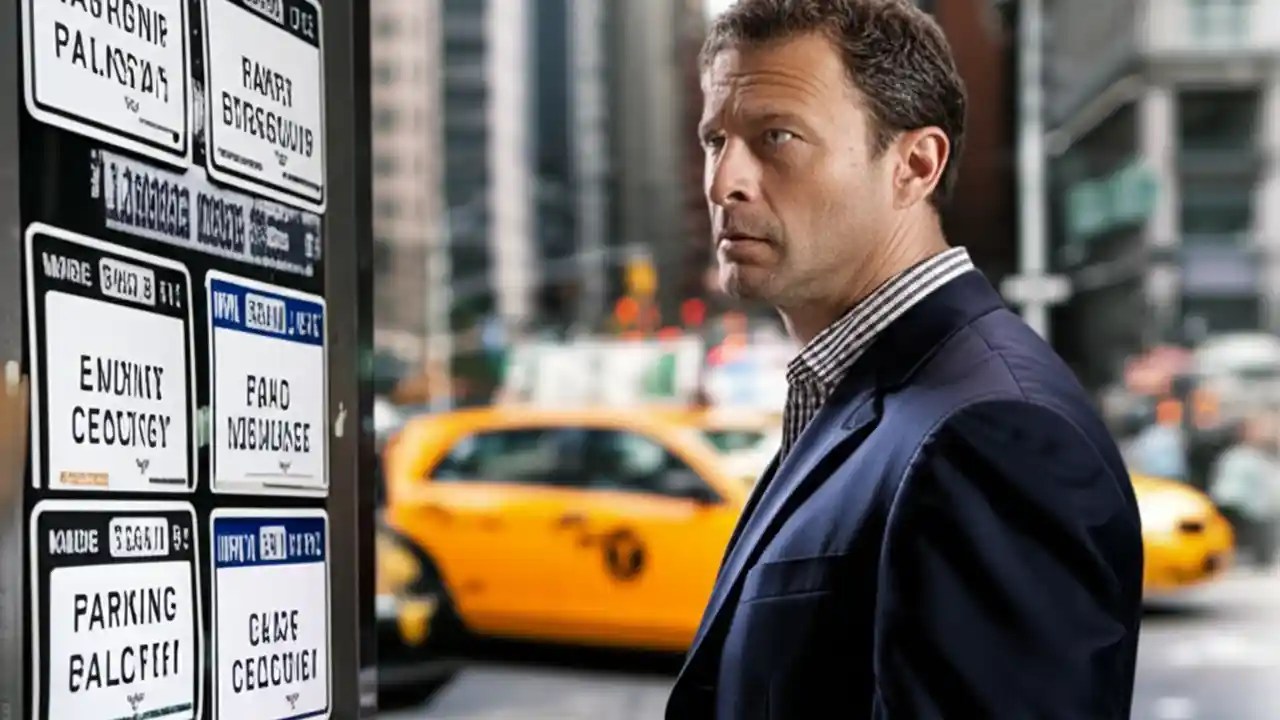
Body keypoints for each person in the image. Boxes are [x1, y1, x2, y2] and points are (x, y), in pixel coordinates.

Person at [667, 1, 1144, 718]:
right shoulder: (877, 394)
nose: (722, 182)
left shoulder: (992, 434)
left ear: (914, 166)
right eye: (715, 140)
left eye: (776, 136)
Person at [1209, 412, 1280, 567]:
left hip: (1249, 511)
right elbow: (1232, 494)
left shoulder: (1259, 456)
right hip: (1240, 510)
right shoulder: (1239, 457)